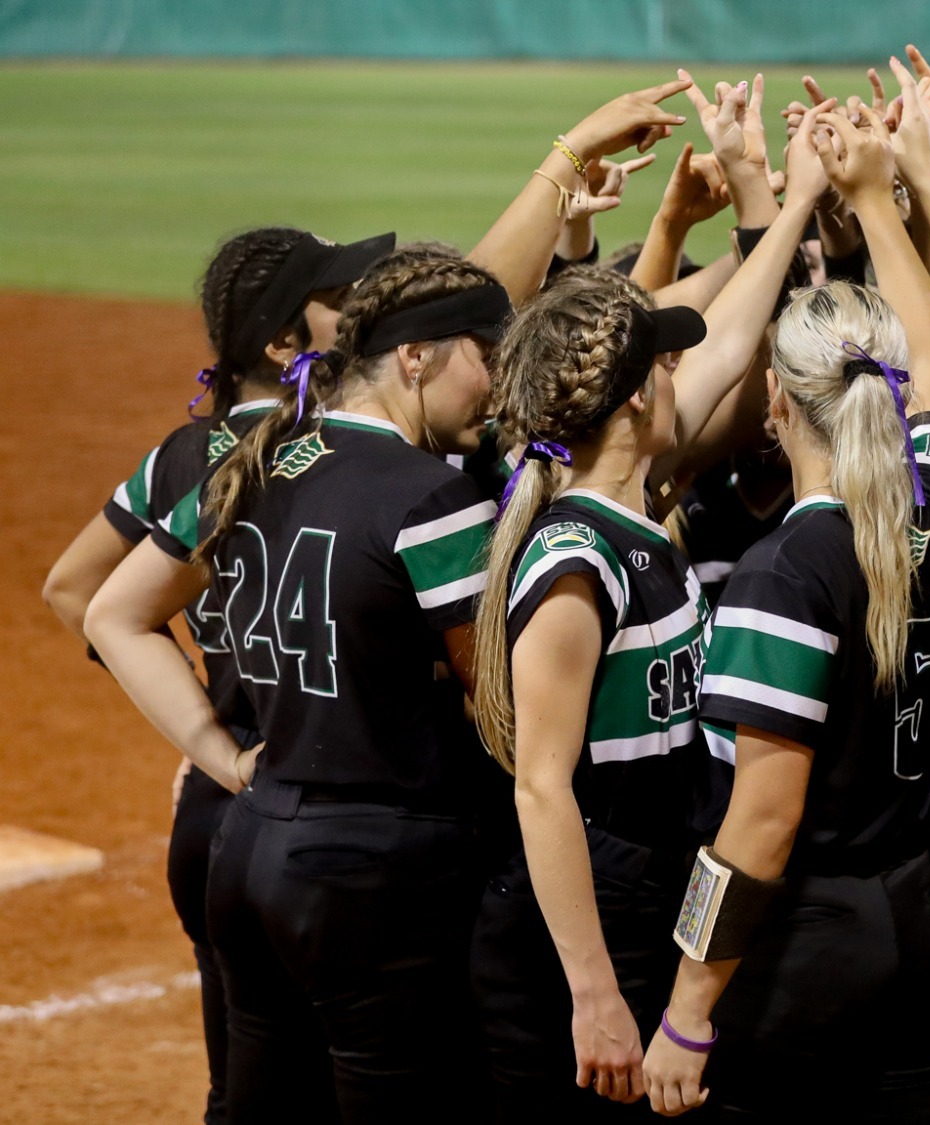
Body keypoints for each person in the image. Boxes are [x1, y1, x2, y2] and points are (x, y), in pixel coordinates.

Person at [84, 80, 693, 1123]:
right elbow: (492, 709)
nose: (495, 388)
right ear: (412, 359)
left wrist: (222, 754)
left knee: (254, 1106)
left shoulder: (254, 453)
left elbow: (109, 613)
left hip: (249, 845)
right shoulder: (425, 501)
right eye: (483, 362)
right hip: (379, 875)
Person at [465, 99, 832, 1122]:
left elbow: (732, 336)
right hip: (601, 908)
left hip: (649, 882)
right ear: (634, 400)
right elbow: (542, 790)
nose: (687, 375)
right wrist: (593, 996)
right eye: (663, 366)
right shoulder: (579, 561)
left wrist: (791, 201)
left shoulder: (629, 509)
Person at [640, 106, 930, 1121]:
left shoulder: (783, 570)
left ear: (777, 406)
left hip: (806, 938)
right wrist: (878, 200)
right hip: (922, 908)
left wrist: (688, 1007)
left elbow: (762, 819)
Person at [40, 223, 390, 1124]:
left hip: (221, 801)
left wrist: (199, 714)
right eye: (338, 300)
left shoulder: (180, 457)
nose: (358, 313)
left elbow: (77, 590)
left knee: (242, 1088)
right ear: (285, 341)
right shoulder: (339, 454)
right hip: (322, 794)